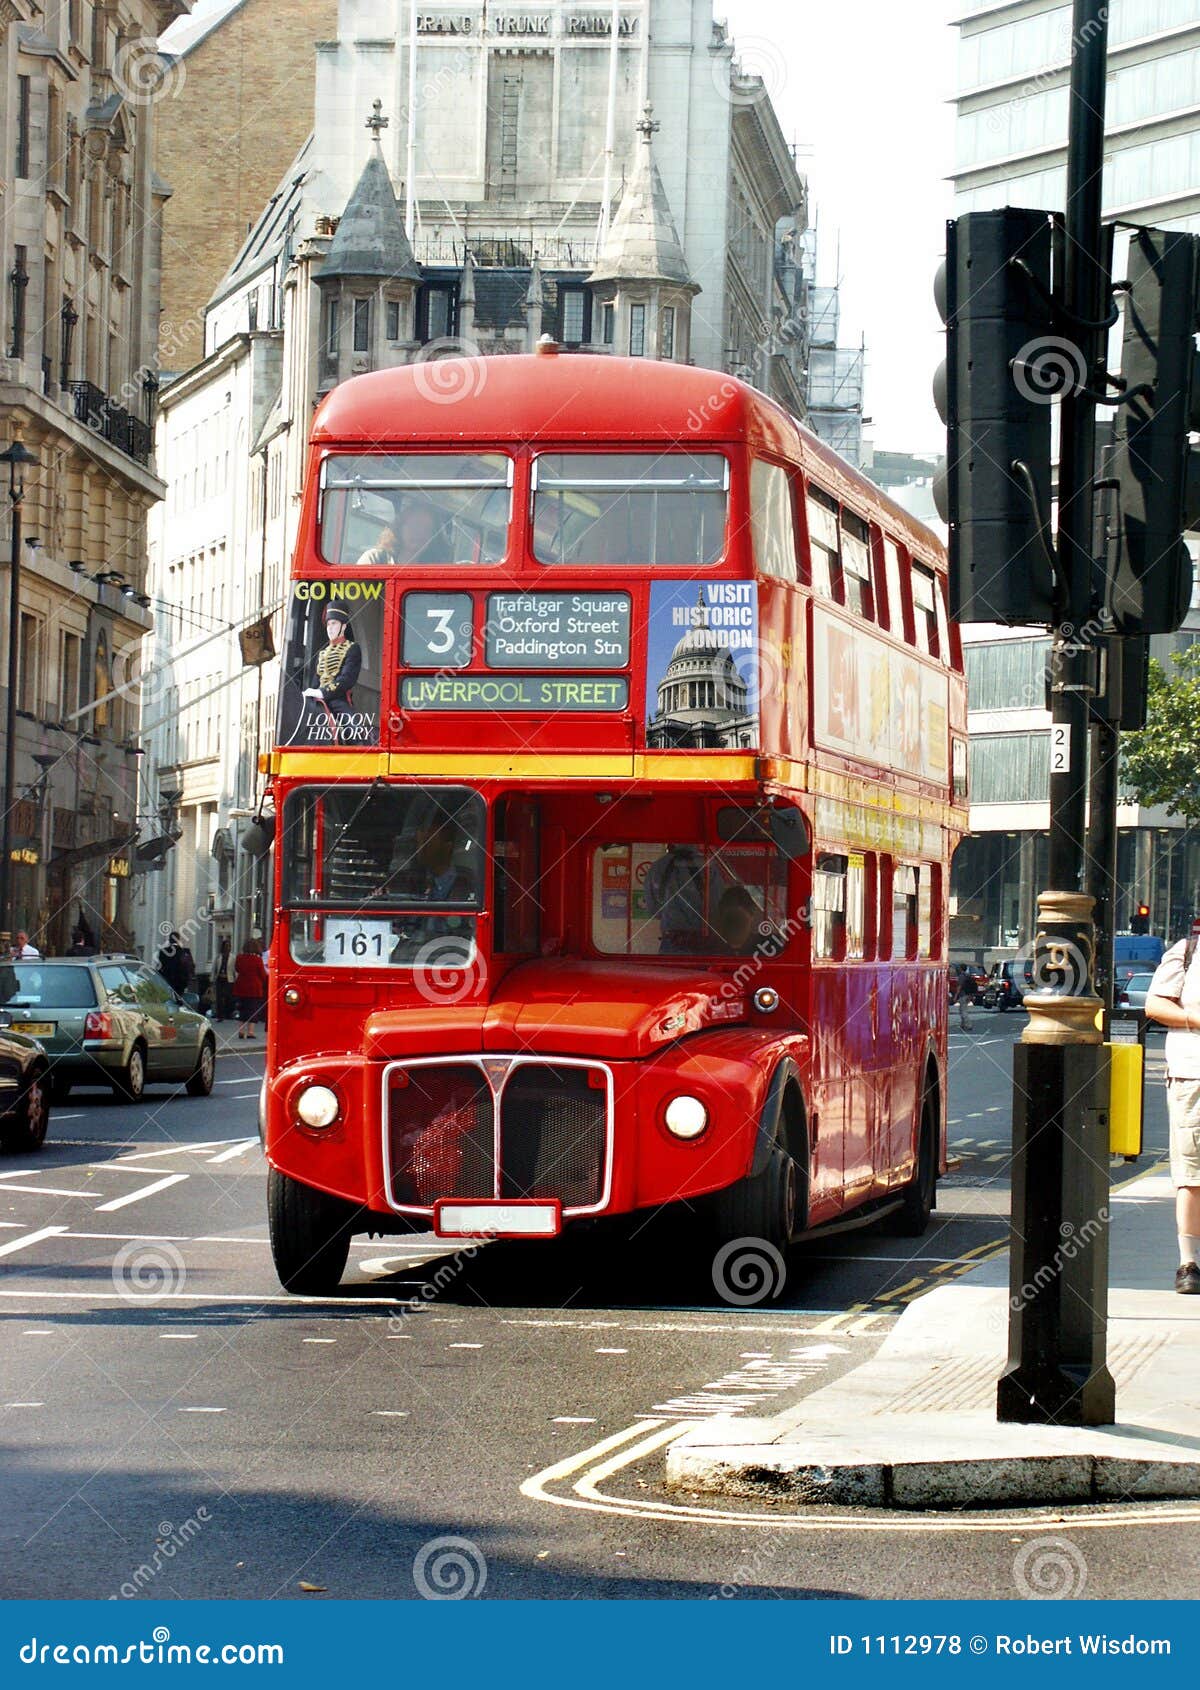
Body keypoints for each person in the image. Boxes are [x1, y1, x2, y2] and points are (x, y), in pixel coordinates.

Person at [1145, 928, 1200, 1294]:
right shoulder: (1187, 950)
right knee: (1192, 1171)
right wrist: (1196, 1020)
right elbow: (1155, 1005)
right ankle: (1188, 1264)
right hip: (1192, 1075)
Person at [302, 605, 362, 740]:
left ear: (344, 626)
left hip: (337, 699)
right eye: (328, 624)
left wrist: (323, 692)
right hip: (317, 699)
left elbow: (347, 679)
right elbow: (316, 679)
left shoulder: (352, 648)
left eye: (334, 624)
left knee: (355, 730)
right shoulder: (322, 653)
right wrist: (311, 692)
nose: (330, 628)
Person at [232, 937, 268, 1041]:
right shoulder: (257, 959)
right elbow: (262, 974)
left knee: (242, 1009)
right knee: (253, 1010)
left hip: (241, 987)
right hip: (254, 988)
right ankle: (250, 1032)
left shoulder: (239, 958)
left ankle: (241, 1031)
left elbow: (237, 969)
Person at [157, 930, 195, 998]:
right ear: (178, 940)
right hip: (181, 984)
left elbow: (159, 968)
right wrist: (188, 979)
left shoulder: (163, 952)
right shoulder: (185, 952)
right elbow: (191, 967)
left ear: (169, 940)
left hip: (167, 983)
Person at [214, 937, 235, 1021]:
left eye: (229, 946)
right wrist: (212, 978)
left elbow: (234, 969)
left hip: (229, 979)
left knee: (228, 997)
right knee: (219, 997)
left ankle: (228, 1014)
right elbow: (214, 968)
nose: (227, 948)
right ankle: (220, 1015)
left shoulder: (233, 957)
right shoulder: (218, 957)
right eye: (226, 946)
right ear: (222, 947)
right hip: (219, 979)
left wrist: (236, 979)